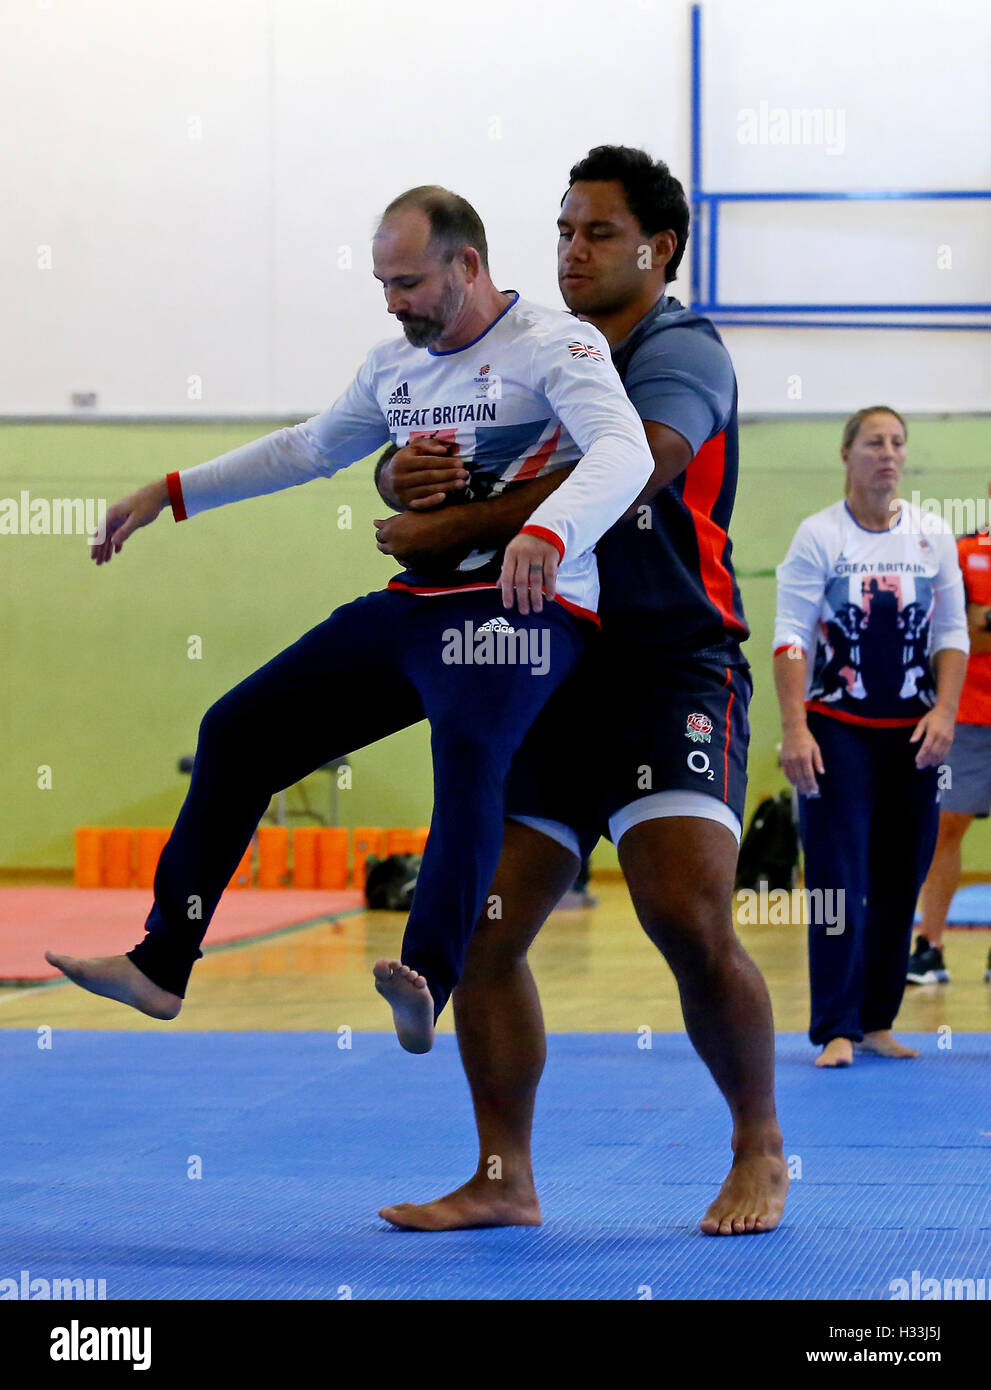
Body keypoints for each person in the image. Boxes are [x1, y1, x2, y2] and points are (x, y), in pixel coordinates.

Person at [45, 185, 654, 1055]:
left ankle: (427, 978)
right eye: (382, 284)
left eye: (407, 282)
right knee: (238, 730)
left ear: (467, 264)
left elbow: (624, 447)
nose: (393, 302)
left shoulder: (555, 344)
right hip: (416, 606)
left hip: (525, 606)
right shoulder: (390, 366)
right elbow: (306, 448)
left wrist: (548, 532)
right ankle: (161, 961)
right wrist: (170, 492)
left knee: (470, 753)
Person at [373, 147, 788, 1236]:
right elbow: (423, 438)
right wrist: (405, 474)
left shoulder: (678, 348)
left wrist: (451, 523)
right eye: (562, 229)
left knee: (685, 914)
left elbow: (640, 461)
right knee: (486, 928)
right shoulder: (524, 352)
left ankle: (760, 1145)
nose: (571, 248)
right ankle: (503, 1176)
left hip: (667, 667)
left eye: (598, 232)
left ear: (658, 250)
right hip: (543, 665)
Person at [774, 407, 969, 1068]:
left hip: (914, 737)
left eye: (895, 443)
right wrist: (795, 728)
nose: (886, 454)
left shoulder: (930, 535)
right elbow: (789, 638)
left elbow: (951, 633)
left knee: (898, 878)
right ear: (846, 454)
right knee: (836, 878)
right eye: (872, 443)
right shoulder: (818, 536)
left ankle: (877, 1020)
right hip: (836, 734)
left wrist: (944, 712)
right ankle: (834, 1024)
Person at [913, 486, 991, 985]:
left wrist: (984, 621)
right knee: (945, 829)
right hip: (966, 711)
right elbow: (955, 631)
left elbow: (980, 626)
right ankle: (929, 948)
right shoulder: (964, 553)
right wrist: (979, 623)